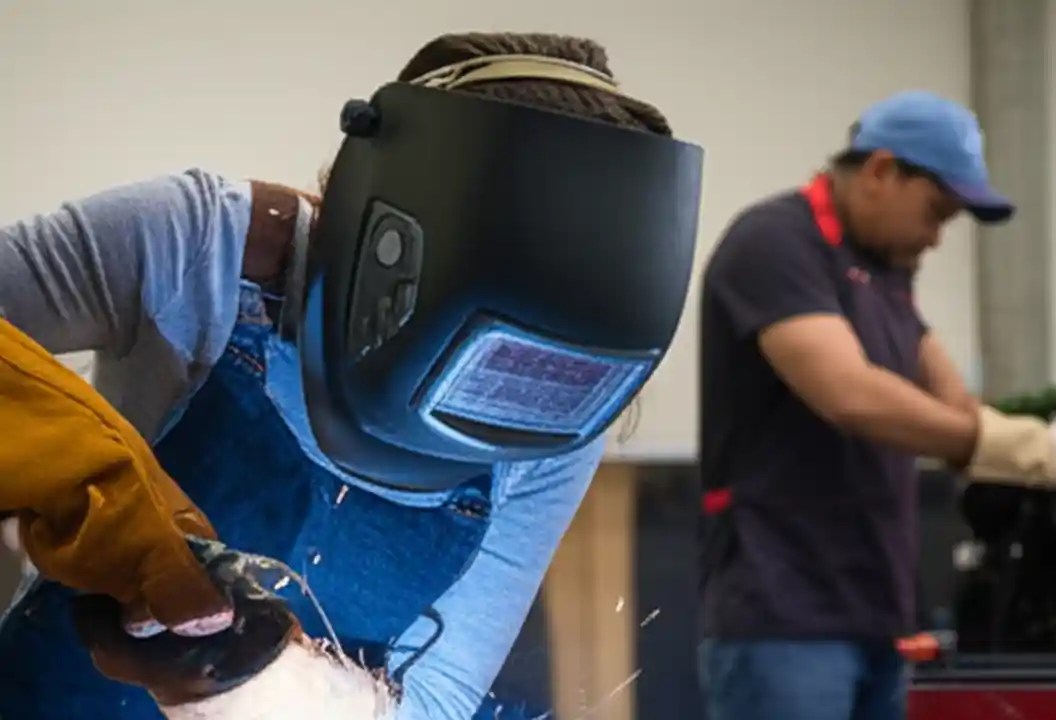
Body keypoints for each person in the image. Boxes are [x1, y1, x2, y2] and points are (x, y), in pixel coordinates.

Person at [0, 31, 704, 719]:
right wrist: (71, 468)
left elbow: (440, 699)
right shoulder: (200, 242)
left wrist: (259, 687)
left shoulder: (560, 400)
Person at [695, 90, 1056, 720]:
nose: (937, 238)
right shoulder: (775, 244)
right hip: (784, 615)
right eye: (936, 211)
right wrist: (1020, 448)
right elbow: (850, 393)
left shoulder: (887, 267)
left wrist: (1044, 435)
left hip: (878, 611)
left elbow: (949, 400)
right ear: (880, 172)